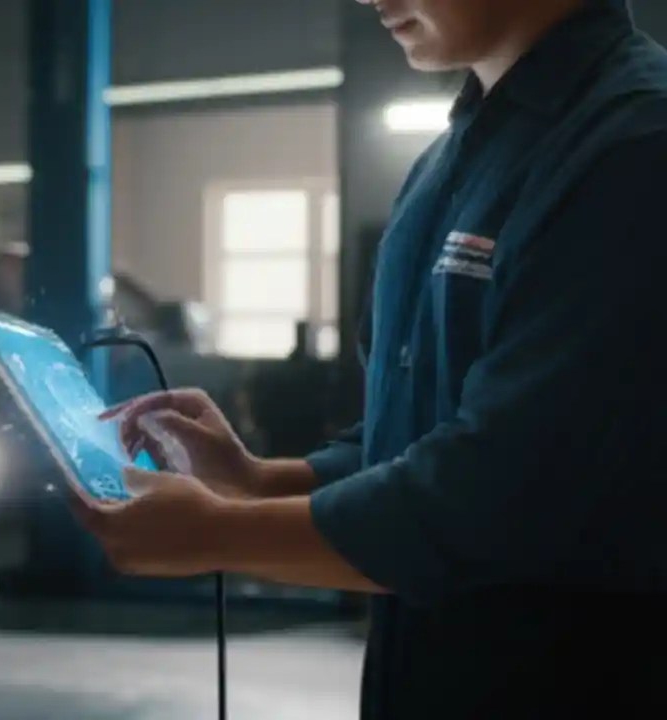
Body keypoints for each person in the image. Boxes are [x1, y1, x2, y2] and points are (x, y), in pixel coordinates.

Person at [75, 0, 667, 717]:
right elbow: (415, 436)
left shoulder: (634, 147)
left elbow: (501, 493)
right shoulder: (447, 163)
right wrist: (259, 482)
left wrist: (215, 532)